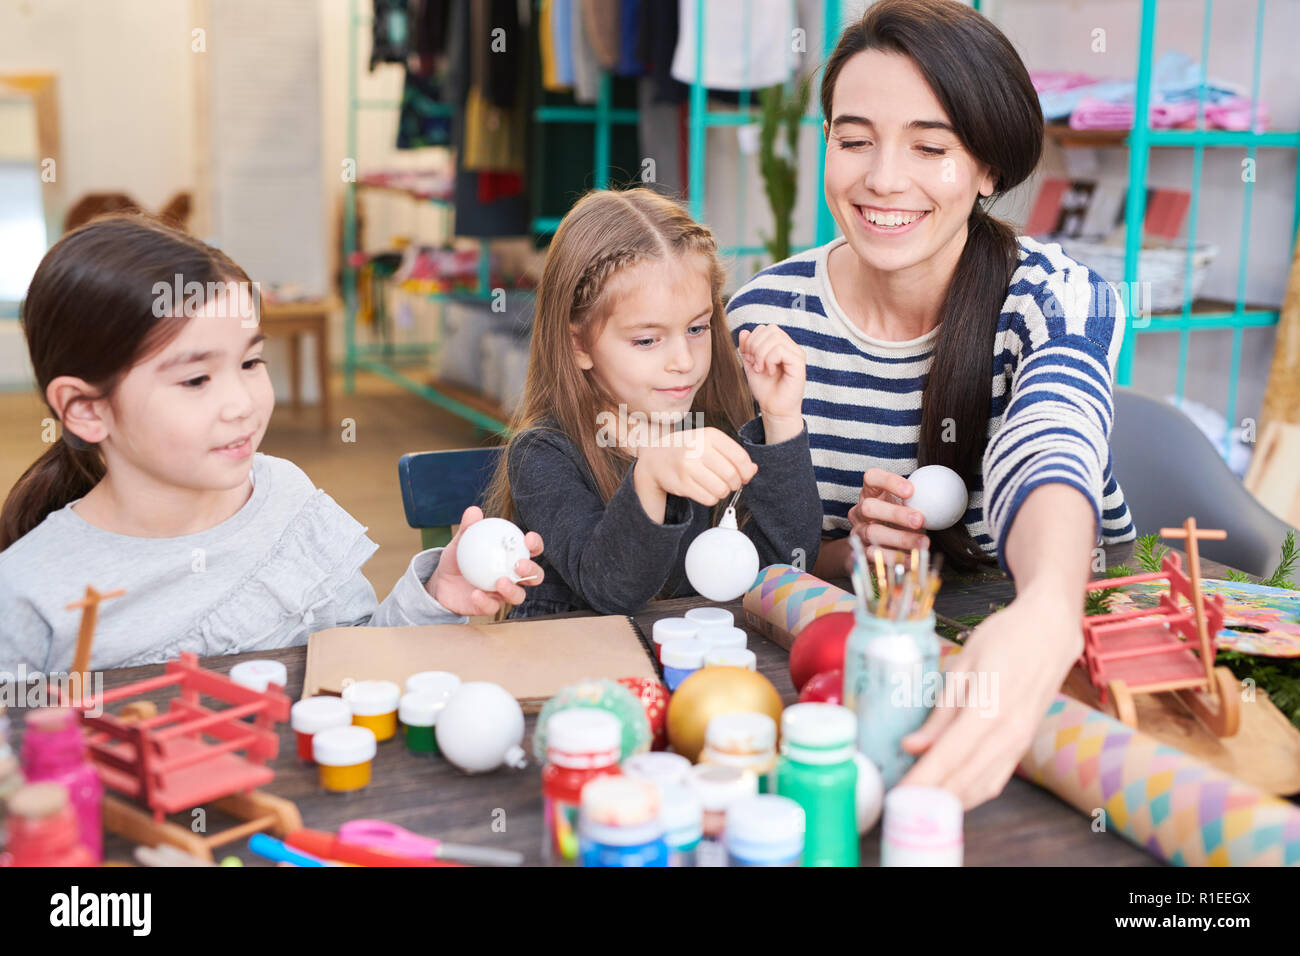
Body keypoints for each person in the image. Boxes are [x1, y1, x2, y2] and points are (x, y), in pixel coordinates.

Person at [726, 0, 1136, 808]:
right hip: (860, 683)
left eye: (930, 146)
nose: (882, 178)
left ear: (987, 169)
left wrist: (1050, 608)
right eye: (853, 140)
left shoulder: (1057, 298)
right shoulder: (763, 320)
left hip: (1052, 665)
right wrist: (854, 557)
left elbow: (1054, 438)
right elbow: (760, 543)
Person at [0, 216, 544, 672]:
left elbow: (358, 664)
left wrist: (437, 598)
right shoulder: (28, 593)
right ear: (85, 409)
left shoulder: (285, 494)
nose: (242, 403)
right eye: (195, 380)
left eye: (250, 362)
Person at [484, 187, 823, 616]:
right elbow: (610, 590)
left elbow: (784, 568)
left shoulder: (713, 431)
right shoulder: (543, 455)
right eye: (647, 340)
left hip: (689, 671)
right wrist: (650, 478)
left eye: (697, 329)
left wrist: (781, 420)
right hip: (579, 675)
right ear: (578, 345)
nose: (683, 362)